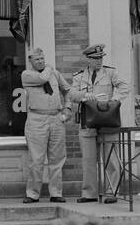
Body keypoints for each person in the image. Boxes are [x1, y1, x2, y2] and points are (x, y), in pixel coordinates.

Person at [68, 42, 132, 204]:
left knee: (111, 159)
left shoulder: (110, 73)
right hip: (87, 121)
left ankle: (112, 192)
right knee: (88, 161)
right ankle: (89, 194)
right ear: (88, 59)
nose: (98, 61)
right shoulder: (79, 76)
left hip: (107, 120)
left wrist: (115, 100)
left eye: (100, 58)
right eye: (95, 58)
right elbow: (71, 94)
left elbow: (125, 86)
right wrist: (84, 96)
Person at [21, 47, 71, 204]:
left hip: (56, 118)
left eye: (42, 58)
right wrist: (49, 68)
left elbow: (67, 90)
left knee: (57, 158)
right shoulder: (27, 75)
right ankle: (33, 193)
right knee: (36, 159)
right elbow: (43, 79)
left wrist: (68, 107)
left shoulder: (54, 74)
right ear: (30, 61)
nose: (41, 61)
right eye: (37, 59)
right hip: (37, 119)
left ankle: (56, 193)